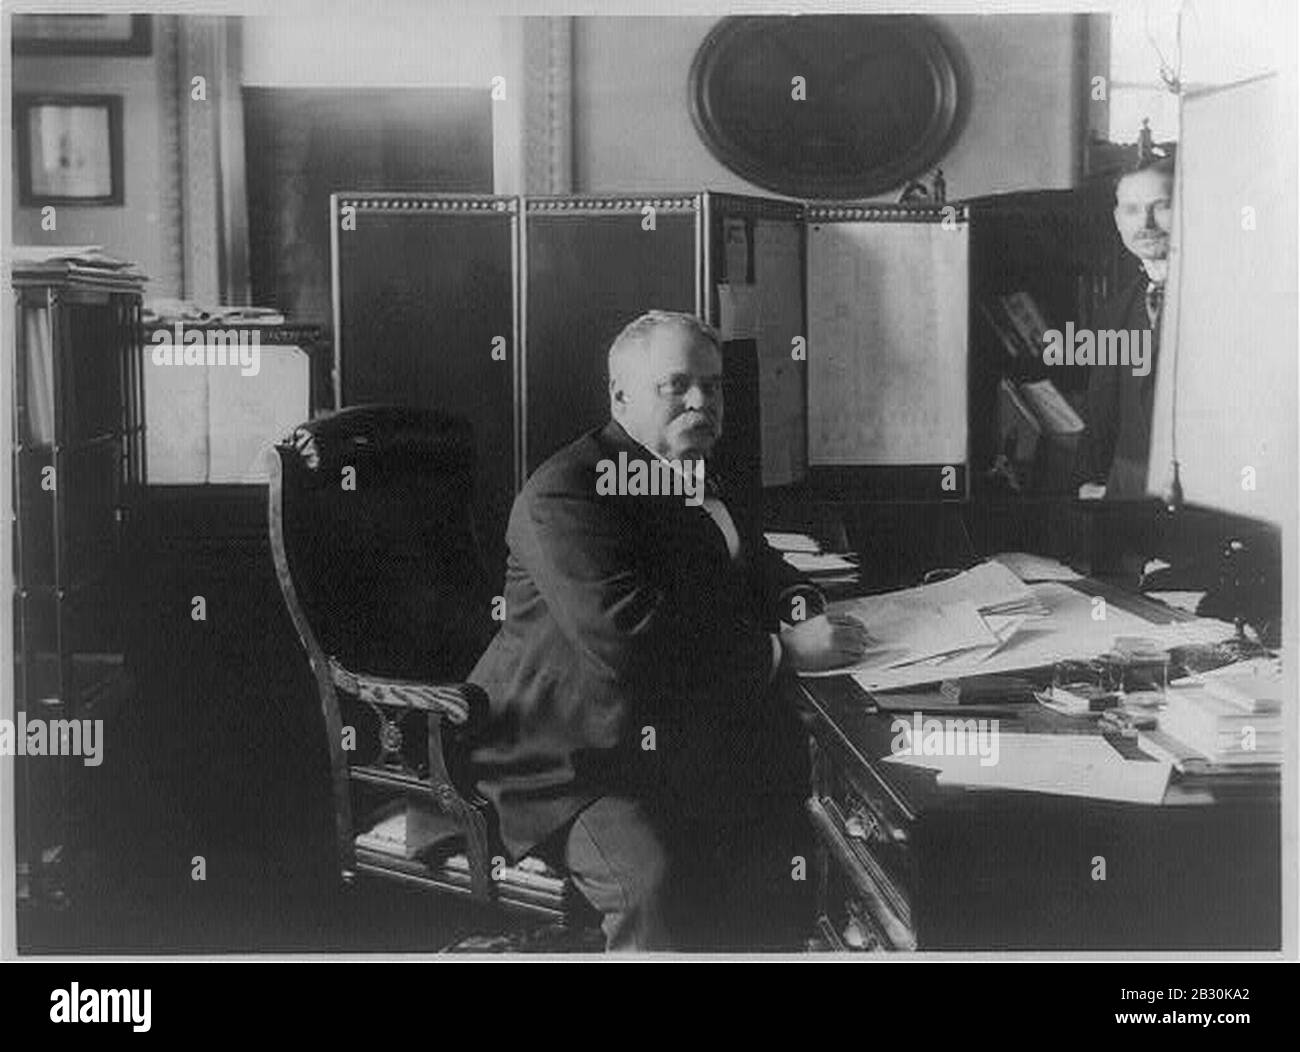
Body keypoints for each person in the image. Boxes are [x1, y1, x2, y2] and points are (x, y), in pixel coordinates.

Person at [467, 310, 869, 950]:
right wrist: (785, 650)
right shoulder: (566, 494)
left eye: (712, 386)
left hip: (671, 731)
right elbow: (631, 641)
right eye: (675, 386)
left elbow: (751, 562)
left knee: (794, 820)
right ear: (620, 396)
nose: (700, 402)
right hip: (567, 754)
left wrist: (800, 606)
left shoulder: (694, 468)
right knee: (653, 882)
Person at [1078, 154, 1175, 500]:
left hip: (1203, 502)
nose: (1145, 222)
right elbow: (1101, 419)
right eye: (1132, 210)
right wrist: (1091, 483)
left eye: (1160, 206)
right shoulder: (1113, 313)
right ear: (1118, 220)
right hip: (1126, 500)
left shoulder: (1222, 302)